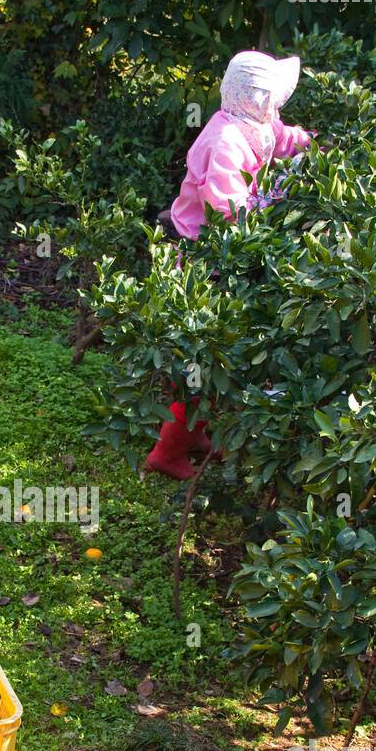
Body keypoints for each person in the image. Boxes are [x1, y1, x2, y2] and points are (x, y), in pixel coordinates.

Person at [146, 51, 312, 480]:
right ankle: (166, 452)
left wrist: (313, 145)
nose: (275, 109)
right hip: (205, 261)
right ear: (257, 98)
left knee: (216, 357)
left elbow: (284, 136)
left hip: (229, 255)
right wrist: (273, 204)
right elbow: (229, 210)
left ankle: (192, 433)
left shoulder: (255, 123)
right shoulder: (222, 142)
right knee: (206, 359)